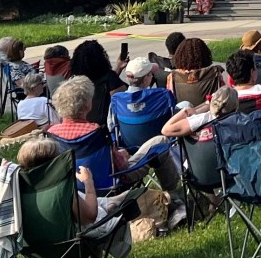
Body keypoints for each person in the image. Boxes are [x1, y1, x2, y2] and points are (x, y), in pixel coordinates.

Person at [48, 75, 186, 220]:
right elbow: (122, 166)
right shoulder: (94, 131)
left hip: (75, 190)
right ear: (87, 105)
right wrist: (123, 155)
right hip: (114, 181)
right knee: (160, 141)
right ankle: (174, 196)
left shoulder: (51, 134)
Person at [70, 40, 126, 127]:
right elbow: (123, 97)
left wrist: (118, 68)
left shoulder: (75, 81)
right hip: (104, 127)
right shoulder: (110, 77)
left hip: (81, 126)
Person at [161, 84, 240, 139]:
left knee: (185, 104)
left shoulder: (202, 119)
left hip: (195, 159)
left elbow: (165, 130)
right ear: (235, 107)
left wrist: (185, 111)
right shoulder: (239, 123)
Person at [168, 37, 224, 104]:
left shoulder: (172, 76)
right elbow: (223, 94)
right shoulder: (215, 72)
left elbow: (171, 98)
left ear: (179, 56)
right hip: (209, 111)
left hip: (183, 112)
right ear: (205, 55)